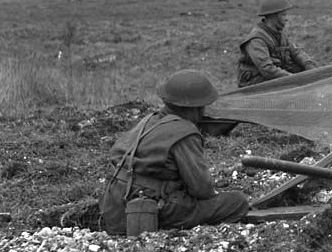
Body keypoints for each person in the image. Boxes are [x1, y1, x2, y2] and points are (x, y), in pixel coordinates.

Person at [99, 70, 249, 235]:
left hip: (114, 205)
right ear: (195, 107)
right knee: (237, 202)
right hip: (150, 210)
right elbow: (202, 190)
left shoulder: (148, 120)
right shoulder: (184, 131)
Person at [237, 0, 318, 87]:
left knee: (305, 72)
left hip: (276, 76)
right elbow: (267, 69)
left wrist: (308, 65)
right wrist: (293, 78)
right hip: (256, 83)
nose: (287, 18)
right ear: (273, 17)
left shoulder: (280, 34)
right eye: (284, 15)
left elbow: (296, 53)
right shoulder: (256, 39)